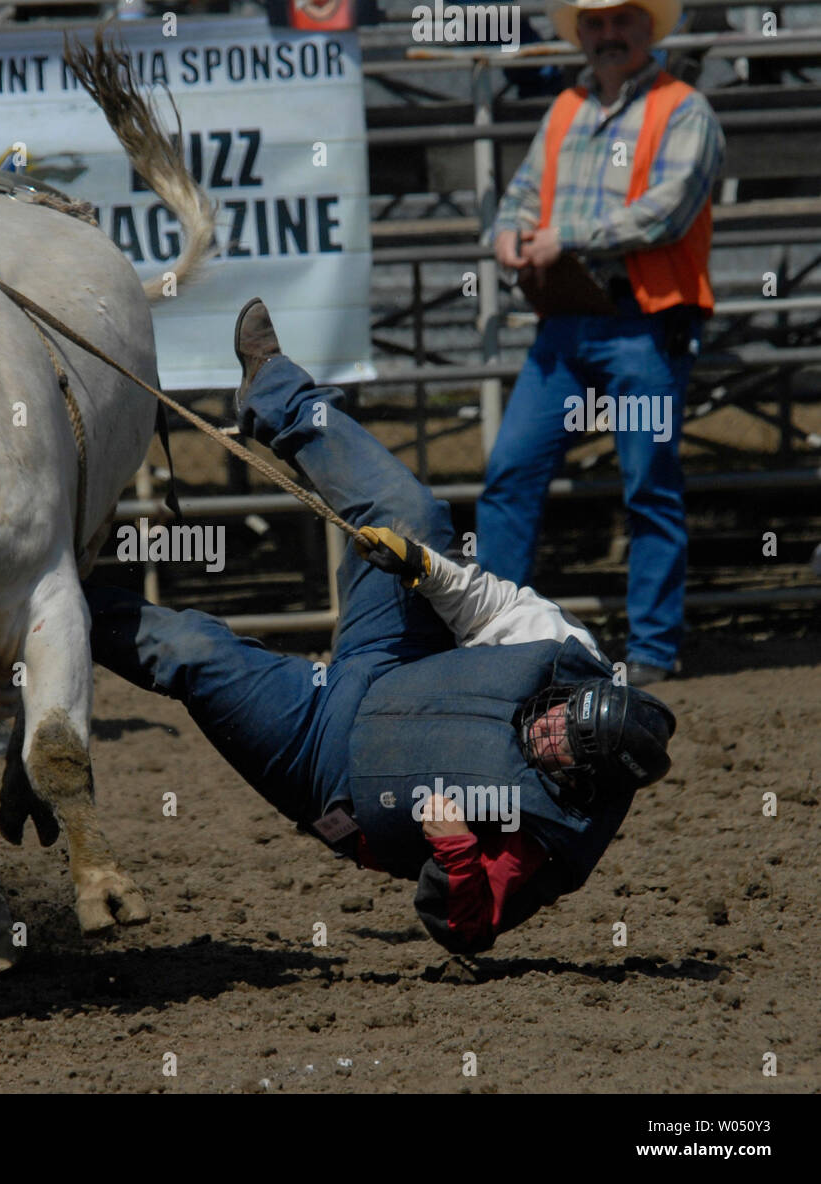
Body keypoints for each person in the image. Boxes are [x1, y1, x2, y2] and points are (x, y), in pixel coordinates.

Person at [83, 298, 677, 955]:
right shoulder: (570, 654)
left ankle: (52, 604)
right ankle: (275, 390)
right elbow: (487, 606)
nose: (550, 724)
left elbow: (467, 927)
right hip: (397, 660)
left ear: (583, 779)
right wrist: (421, 567)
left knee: (193, 651)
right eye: (563, 713)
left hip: (328, 766)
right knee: (407, 512)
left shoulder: (549, 837)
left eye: (564, 741)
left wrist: (452, 848)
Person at [476, 0, 725, 688]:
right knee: (510, 473)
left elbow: (668, 210)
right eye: (594, 23)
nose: (607, 34)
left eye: (620, 20)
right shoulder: (566, 108)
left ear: (647, 28)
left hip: (644, 323)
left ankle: (651, 648)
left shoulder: (684, 109)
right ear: (580, 34)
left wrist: (566, 238)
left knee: (648, 483)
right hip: (571, 322)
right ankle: (492, 633)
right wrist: (508, 230)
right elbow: (524, 191)